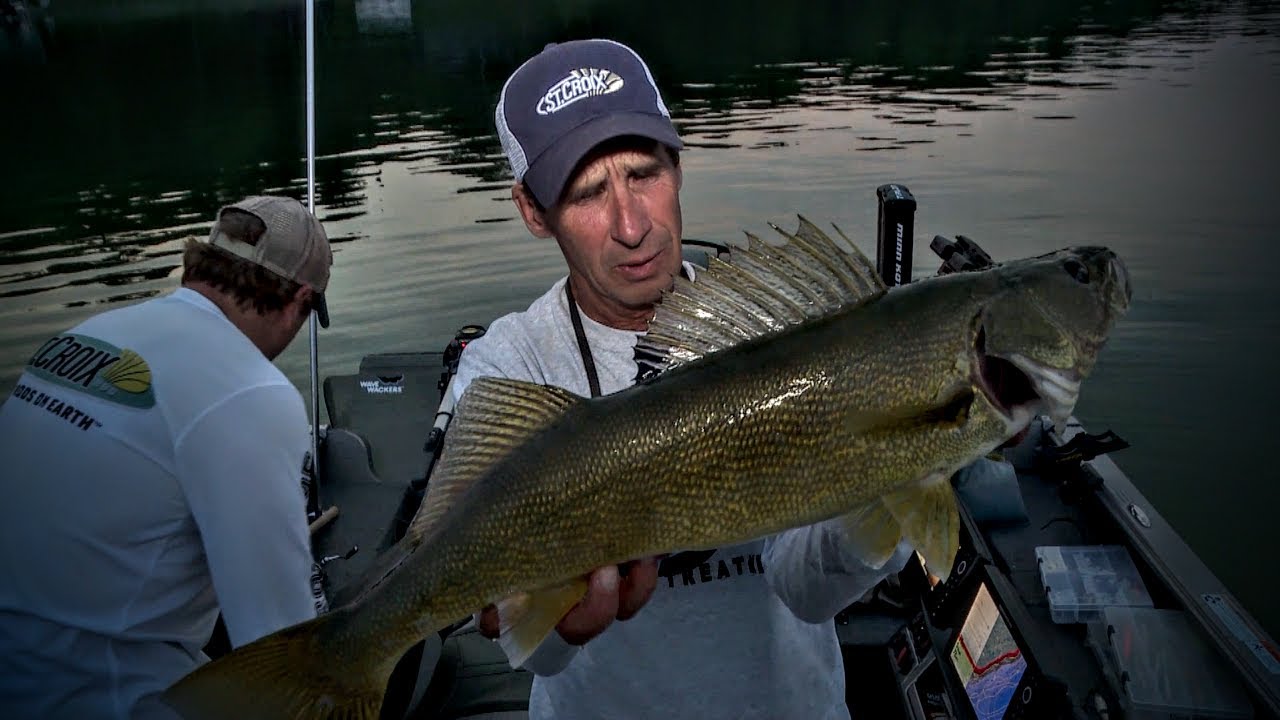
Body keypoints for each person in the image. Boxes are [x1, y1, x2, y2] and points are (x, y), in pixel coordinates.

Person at [447, 38, 916, 719]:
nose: (632, 225)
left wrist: (905, 471)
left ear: (678, 163)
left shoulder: (777, 334)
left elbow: (807, 592)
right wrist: (552, 619)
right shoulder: (507, 370)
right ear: (531, 211)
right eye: (587, 193)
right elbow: (537, 652)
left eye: (644, 173)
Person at [0, 195, 334, 720]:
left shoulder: (83, 337)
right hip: (93, 696)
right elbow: (276, 652)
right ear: (299, 301)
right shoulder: (249, 391)